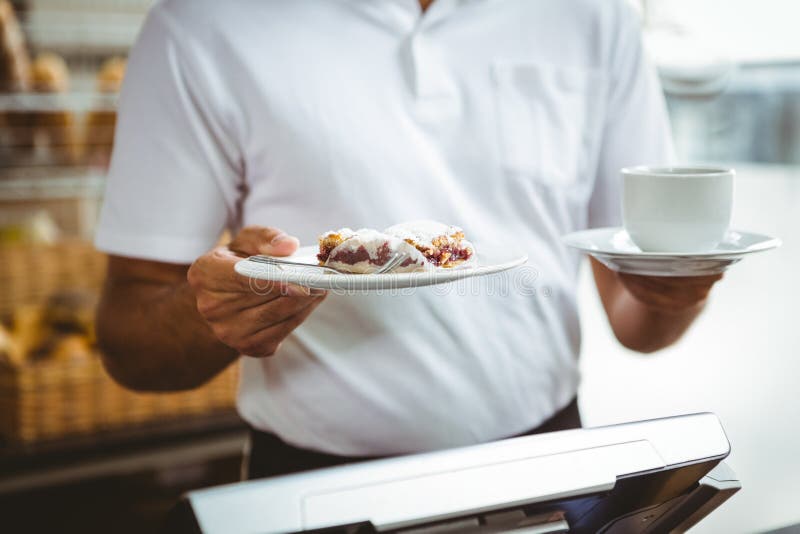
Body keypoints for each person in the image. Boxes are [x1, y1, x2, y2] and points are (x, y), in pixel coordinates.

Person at [95, 0, 721, 479]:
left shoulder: (594, 13)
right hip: (314, 480)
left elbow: (639, 325)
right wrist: (216, 314)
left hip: (548, 465)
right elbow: (129, 341)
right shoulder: (201, 24)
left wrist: (677, 290)